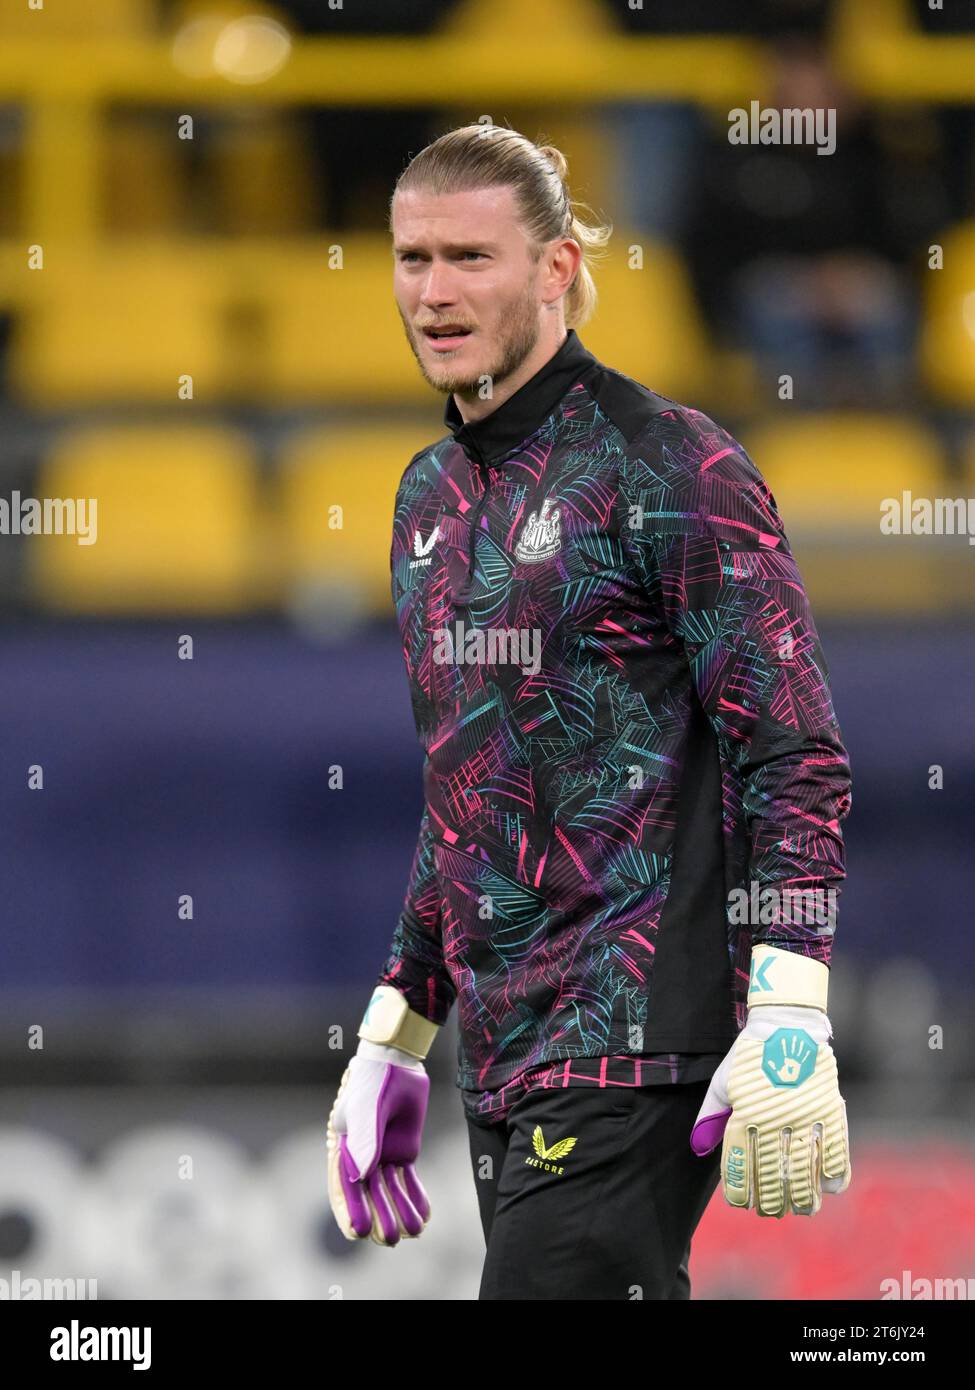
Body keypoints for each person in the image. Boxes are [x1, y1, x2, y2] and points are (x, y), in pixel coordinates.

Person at [326, 123, 853, 1301]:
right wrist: (397, 1025)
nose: (434, 291)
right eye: (412, 259)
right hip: (504, 1057)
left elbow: (795, 751)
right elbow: (470, 784)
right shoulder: (427, 495)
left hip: (638, 1034)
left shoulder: (672, 462)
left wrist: (790, 1002)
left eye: (471, 257)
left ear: (557, 269)